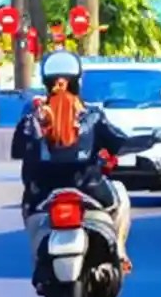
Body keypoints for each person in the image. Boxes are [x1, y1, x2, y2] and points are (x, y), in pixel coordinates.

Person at [11, 51, 138, 272]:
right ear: (78, 82)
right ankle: (119, 251)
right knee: (121, 195)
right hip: (91, 190)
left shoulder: (32, 117)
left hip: (41, 194)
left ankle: (38, 262)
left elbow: (16, 150)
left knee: (27, 210)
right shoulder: (92, 115)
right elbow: (118, 142)